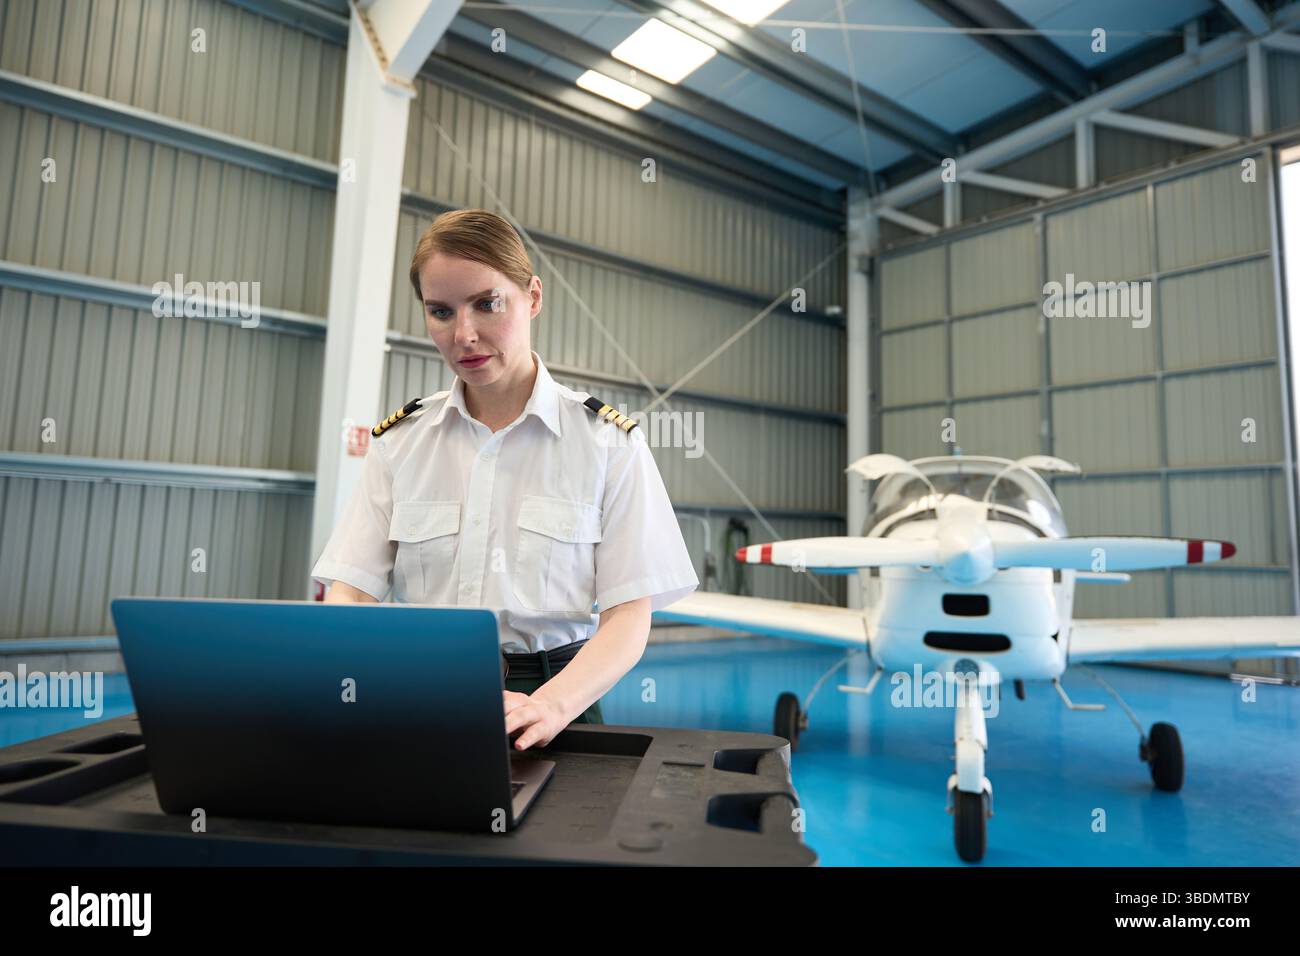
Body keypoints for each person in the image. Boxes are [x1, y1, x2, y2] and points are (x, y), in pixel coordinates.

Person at [311, 208, 699, 751]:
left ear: (533, 297)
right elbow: (350, 589)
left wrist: (550, 706)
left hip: (554, 700)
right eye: (440, 311)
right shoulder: (400, 443)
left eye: (488, 304)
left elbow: (629, 615)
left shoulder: (607, 442)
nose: (464, 335)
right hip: (417, 696)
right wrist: (378, 677)